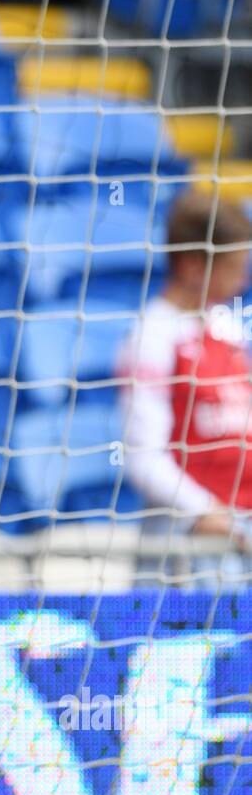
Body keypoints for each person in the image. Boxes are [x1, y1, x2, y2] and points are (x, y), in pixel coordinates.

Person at [117, 190, 252, 584]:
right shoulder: (152, 337)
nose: (242, 280)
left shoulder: (226, 330)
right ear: (194, 266)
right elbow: (143, 458)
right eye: (234, 267)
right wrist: (205, 512)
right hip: (192, 547)